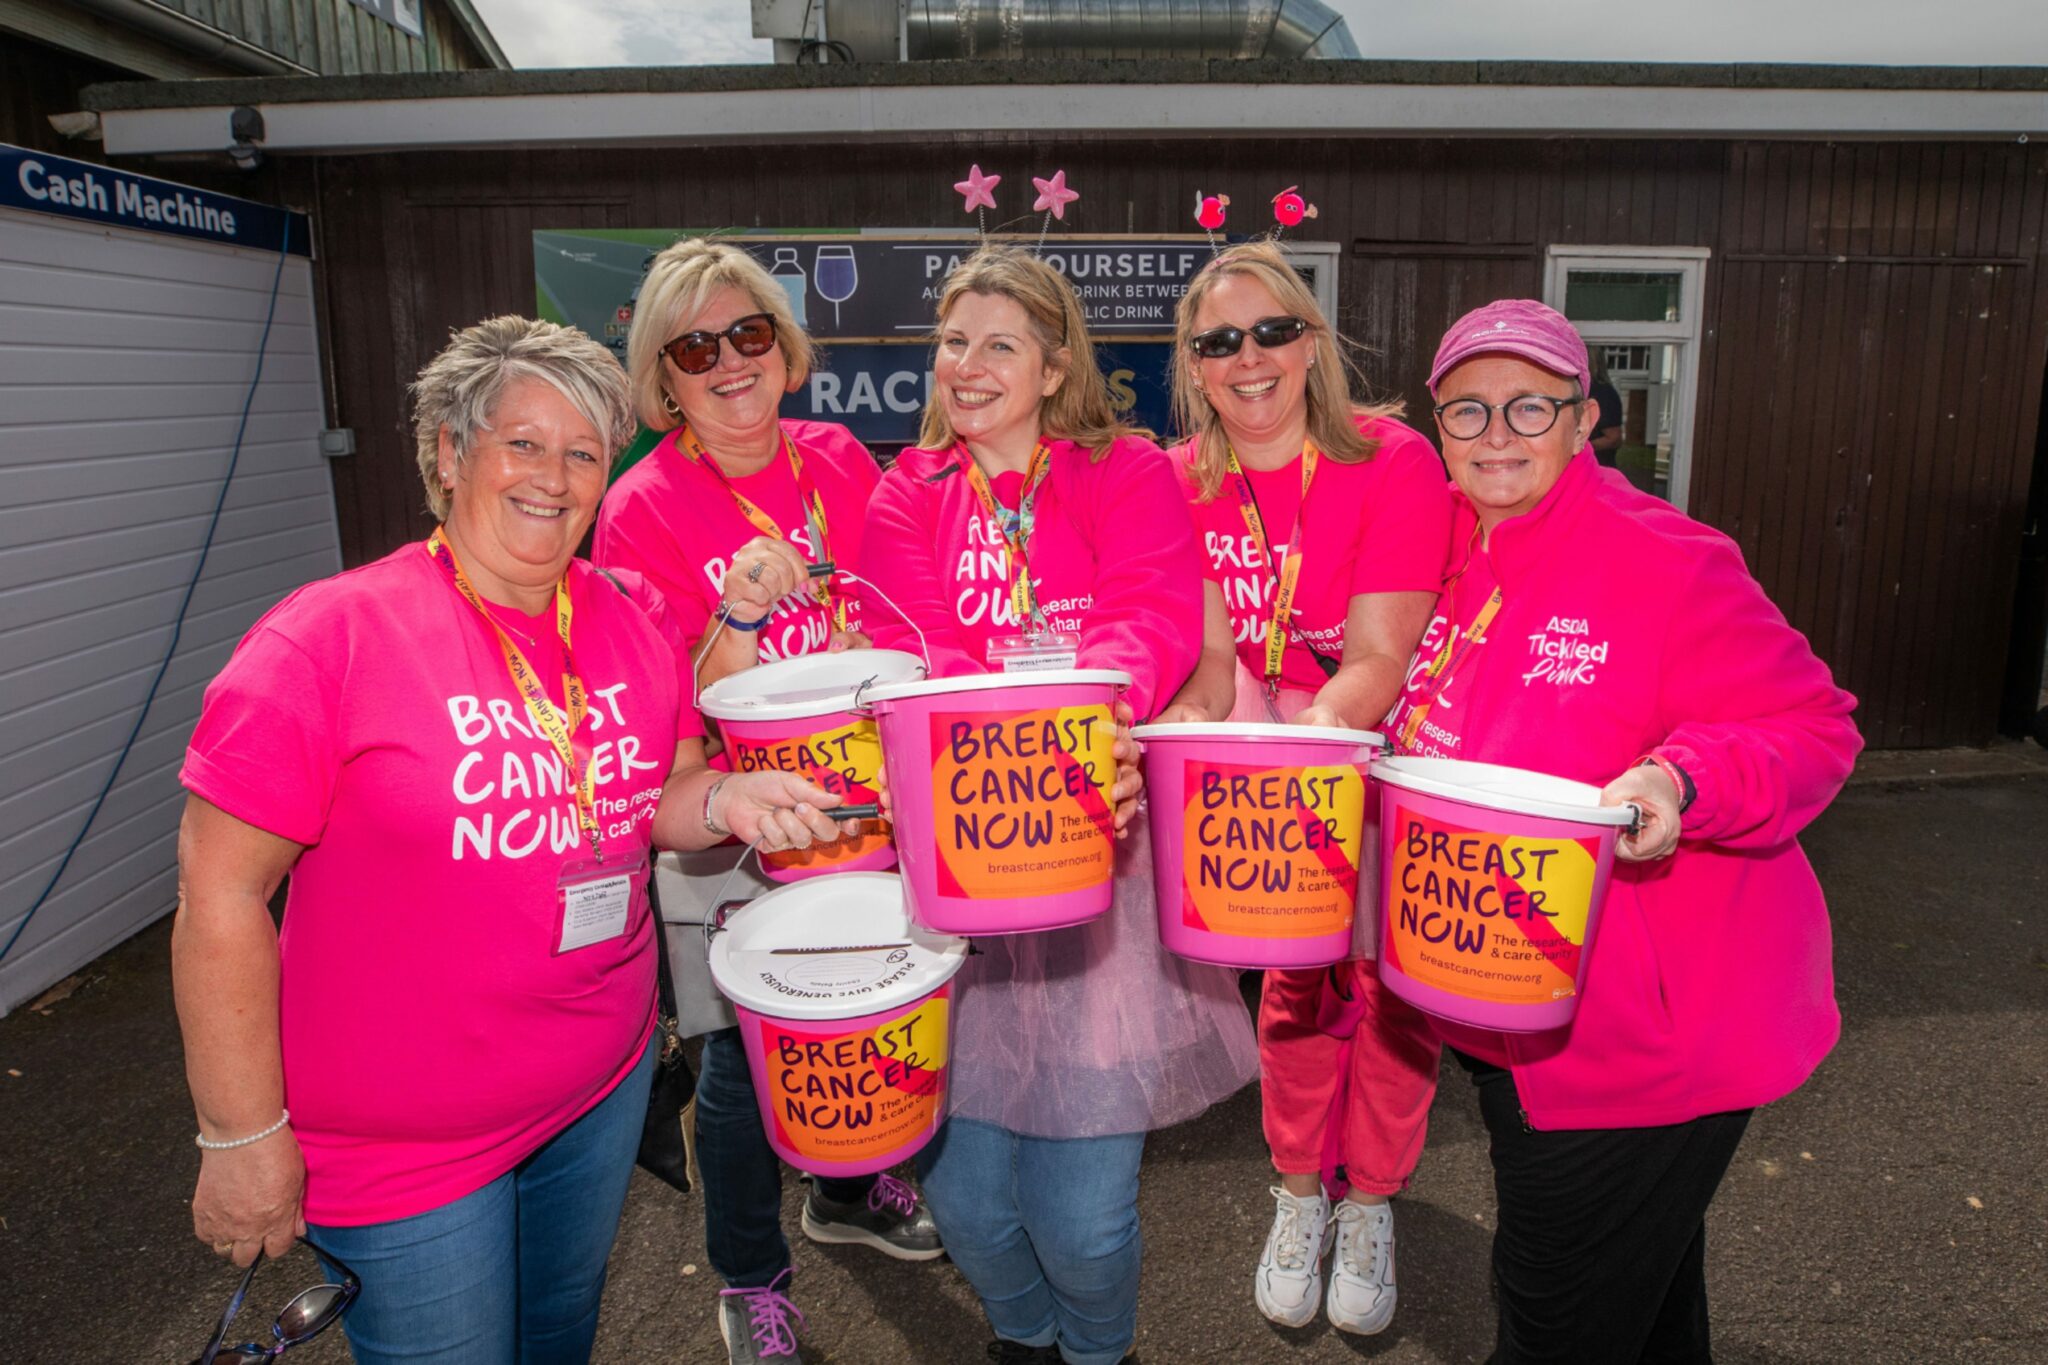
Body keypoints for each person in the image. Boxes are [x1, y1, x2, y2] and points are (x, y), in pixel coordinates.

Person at [172, 315, 858, 1365]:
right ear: (450, 455)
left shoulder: (628, 617)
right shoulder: (331, 636)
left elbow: (660, 797)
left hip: (594, 1093)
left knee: (555, 1343)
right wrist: (241, 1134)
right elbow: (218, 895)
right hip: (406, 1146)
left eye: (583, 450)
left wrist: (725, 800)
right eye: (521, 443)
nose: (554, 475)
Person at [1387, 299, 1861, 1364]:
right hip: (1516, 1007)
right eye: (1467, 411)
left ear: (1582, 419)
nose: (1495, 434)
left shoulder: (1664, 559)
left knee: (1554, 1317)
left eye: (1528, 407)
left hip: (1647, 1037)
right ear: (1437, 428)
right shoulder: (1453, 554)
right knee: (1640, 1305)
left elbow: (1812, 725)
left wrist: (1681, 781)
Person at [859, 246, 1259, 1365]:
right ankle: (1022, 1340)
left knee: (1082, 1220)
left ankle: (1097, 1351)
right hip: (958, 870)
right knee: (975, 1212)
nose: (968, 366)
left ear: (1050, 367)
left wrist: (1078, 731)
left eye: (999, 345)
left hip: (1094, 870)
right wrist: (1019, 744)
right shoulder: (907, 492)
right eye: (952, 343)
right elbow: (912, 645)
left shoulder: (1121, 471)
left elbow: (1148, 615)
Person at [592, 239, 936, 1365]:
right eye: (696, 348)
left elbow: (899, 621)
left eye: (748, 335)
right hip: (728, 823)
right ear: (663, 378)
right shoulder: (640, 507)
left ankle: (845, 1191)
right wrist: (738, 617)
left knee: (868, 1001)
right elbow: (658, 712)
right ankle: (750, 1277)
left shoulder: (839, 456)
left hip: (861, 808)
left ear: (784, 351)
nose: (728, 363)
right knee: (741, 1052)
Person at [1154, 239, 1454, 1337]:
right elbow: (1208, 660)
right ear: (1191, 364)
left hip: (1363, 751)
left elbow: (1375, 656)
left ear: (1311, 342)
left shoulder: (1389, 457)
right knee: (1293, 988)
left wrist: (1306, 756)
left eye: (1272, 330)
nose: (1248, 358)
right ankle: (1296, 1192)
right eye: (1218, 341)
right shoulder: (1174, 479)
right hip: (1254, 766)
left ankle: (1368, 1200)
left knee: (1388, 991)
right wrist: (1186, 736)